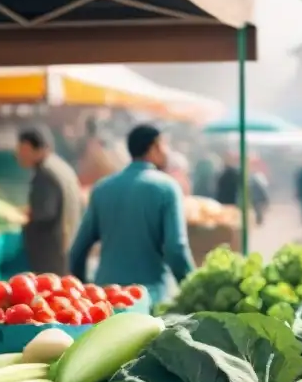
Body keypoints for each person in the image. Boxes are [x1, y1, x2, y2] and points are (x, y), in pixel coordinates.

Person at [70, 124, 194, 304]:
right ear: (155, 147)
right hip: (148, 299)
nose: (167, 152)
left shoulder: (102, 188)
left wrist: (85, 289)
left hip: (105, 297)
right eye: (165, 146)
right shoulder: (167, 188)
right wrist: (192, 289)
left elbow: (78, 251)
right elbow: (175, 249)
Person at [16, 128, 83, 276]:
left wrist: (23, 216)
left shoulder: (45, 174)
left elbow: (44, 213)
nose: (18, 155)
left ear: (32, 148)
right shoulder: (59, 166)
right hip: (65, 246)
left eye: (22, 149)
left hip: (50, 251)